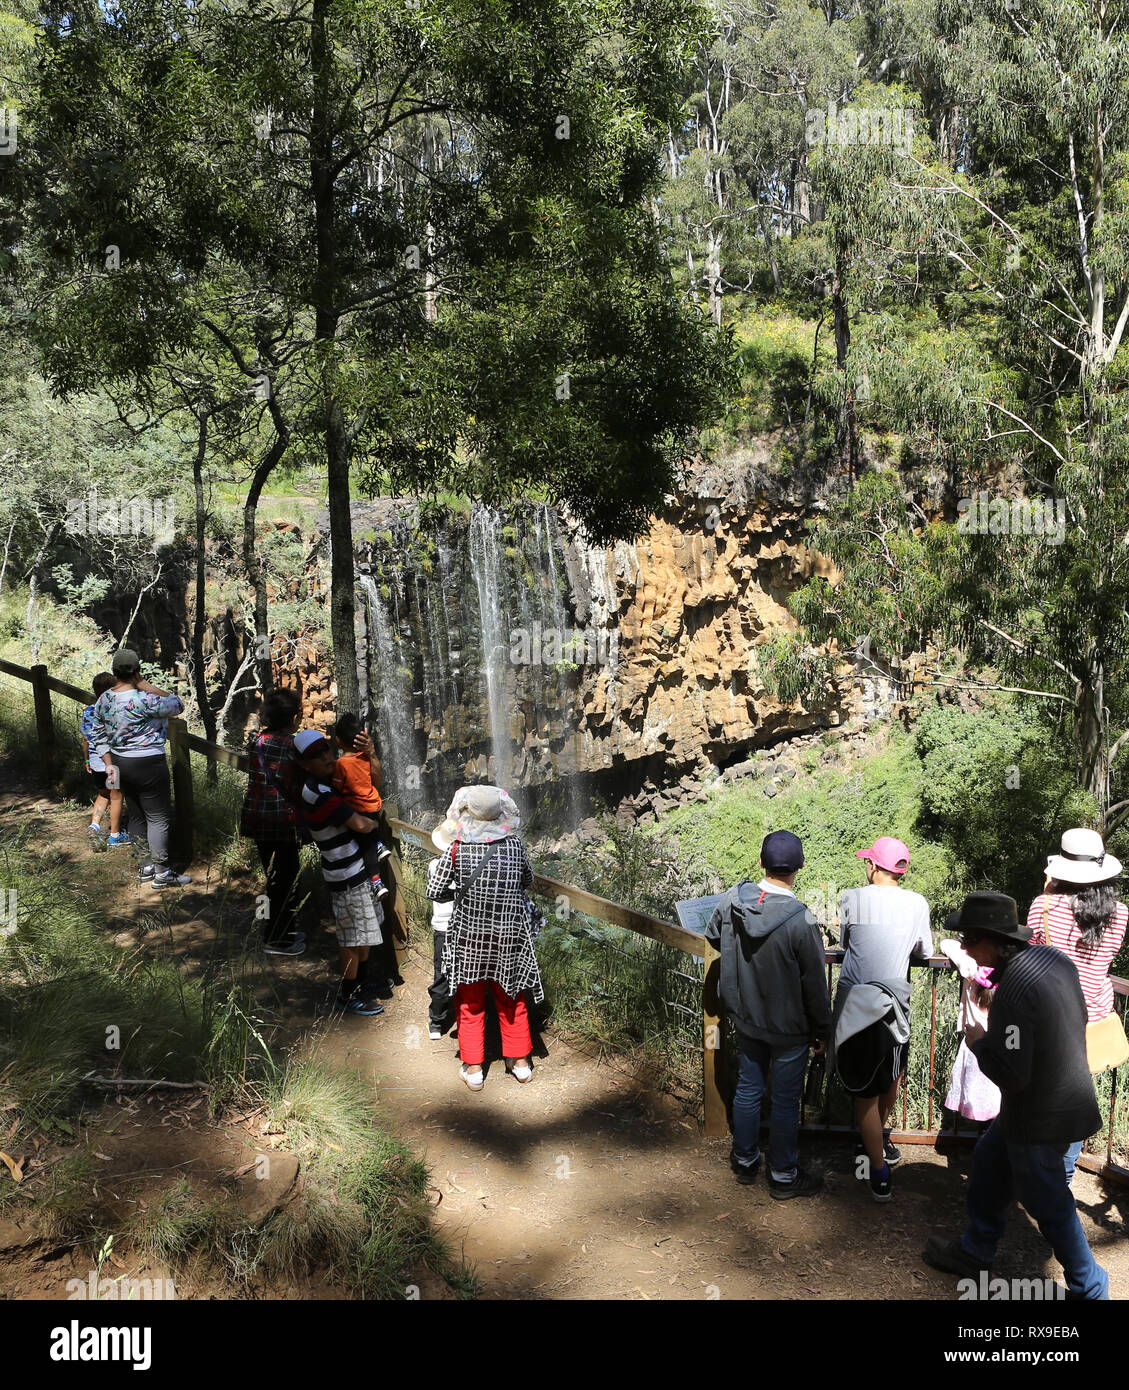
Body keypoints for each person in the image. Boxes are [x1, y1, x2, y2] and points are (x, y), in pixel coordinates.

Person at [924, 892, 1108, 1300]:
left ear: (994, 939)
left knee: (1051, 1207)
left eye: (970, 939)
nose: (967, 948)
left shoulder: (1013, 992)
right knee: (990, 1165)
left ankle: (1091, 1288)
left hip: (1040, 1116)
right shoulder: (1054, 961)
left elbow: (1013, 1074)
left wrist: (978, 1043)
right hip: (1069, 1098)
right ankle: (975, 1250)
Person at [705, 829, 831, 1200]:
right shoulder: (801, 920)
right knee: (785, 1100)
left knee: (748, 1088)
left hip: (746, 1017)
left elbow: (713, 936)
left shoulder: (733, 900)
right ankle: (782, 1174)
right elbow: (814, 985)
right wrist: (822, 1030)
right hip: (790, 1028)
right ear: (800, 867)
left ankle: (744, 1162)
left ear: (761, 862)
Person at [833, 836, 933, 1202]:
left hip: (857, 1004)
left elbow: (845, 945)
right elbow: (925, 950)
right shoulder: (917, 903)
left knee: (862, 1091)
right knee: (890, 1076)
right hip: (893, 1004)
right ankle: (877, 1142)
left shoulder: (850, 898)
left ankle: (878, 1171)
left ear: (873, 866)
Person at [1027, 827, 1127, 1184]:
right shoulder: (1121, 913)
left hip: (1051, 1017)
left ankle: (1034, 1173)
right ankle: (1064, 1176)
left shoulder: (1045, 906)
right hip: (1094, 1017)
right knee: (1078, 1099)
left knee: (1035, 1095)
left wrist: (1047, 891)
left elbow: (1033, 957)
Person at [425, 785, 542, 1091]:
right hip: (508, 936)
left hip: (470, 938)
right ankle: (519, 1063)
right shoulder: (515, 847)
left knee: (470, 1001)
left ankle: (474, 1068)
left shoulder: (456, 849)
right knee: (512, 997)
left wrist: (464, 894)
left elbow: (435, 891)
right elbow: (527, 879)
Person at [292, 728, 385, 1016]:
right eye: (316, 756)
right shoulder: (318, 793)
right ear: (304, 764)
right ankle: (348, 994)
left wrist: (369, 756)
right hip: (346, 876)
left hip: (354, 870)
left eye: (326, 750)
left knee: (364, 933)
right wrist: (373, 825)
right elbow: (360, 824)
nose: (326, 757)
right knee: (351, 939)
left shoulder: (327, 783)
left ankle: (363, 984)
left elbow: (373, 784)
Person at [90, 649, 190, 888]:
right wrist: (146, 685)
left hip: (118, 763)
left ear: (114, 673)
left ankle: (145, 866)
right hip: (149, 763)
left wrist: (108, 762)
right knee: (157, 817)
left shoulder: (105, 699)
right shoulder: (145, 699)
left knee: (136, 815)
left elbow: (96, 732)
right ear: (137, 672)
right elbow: (177, 704)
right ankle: (162, 873)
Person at [239, 687, 306, 957]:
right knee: (286, 879)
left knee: (273, 876)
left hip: (257, 818)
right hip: (282, 821)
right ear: (292, 717)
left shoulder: (258, 740)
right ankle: (279, 939)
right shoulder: (293, 745)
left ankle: (274, 928)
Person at [939, 936, 1000, 1127]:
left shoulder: (969, 966)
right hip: (999, 1046)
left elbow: (946, 943)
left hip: (977, 1045)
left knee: (982, 1108)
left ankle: (982, 1146)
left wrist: (968, 960)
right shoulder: (1005, 968)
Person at [80, 671, 129, 846]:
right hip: (110, 761)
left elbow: (85, 738)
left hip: (94, 761)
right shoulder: (114, 710)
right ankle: (115, 835)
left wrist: (86, 760)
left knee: (103, 793)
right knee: (116, 796)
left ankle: (94, 825)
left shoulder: (88, 711)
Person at [426, 817, 458, 1040]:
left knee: (442, 973)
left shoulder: (434, 866)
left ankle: (436, 1022)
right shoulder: (468, 865)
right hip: (464, 927)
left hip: (441, 927)